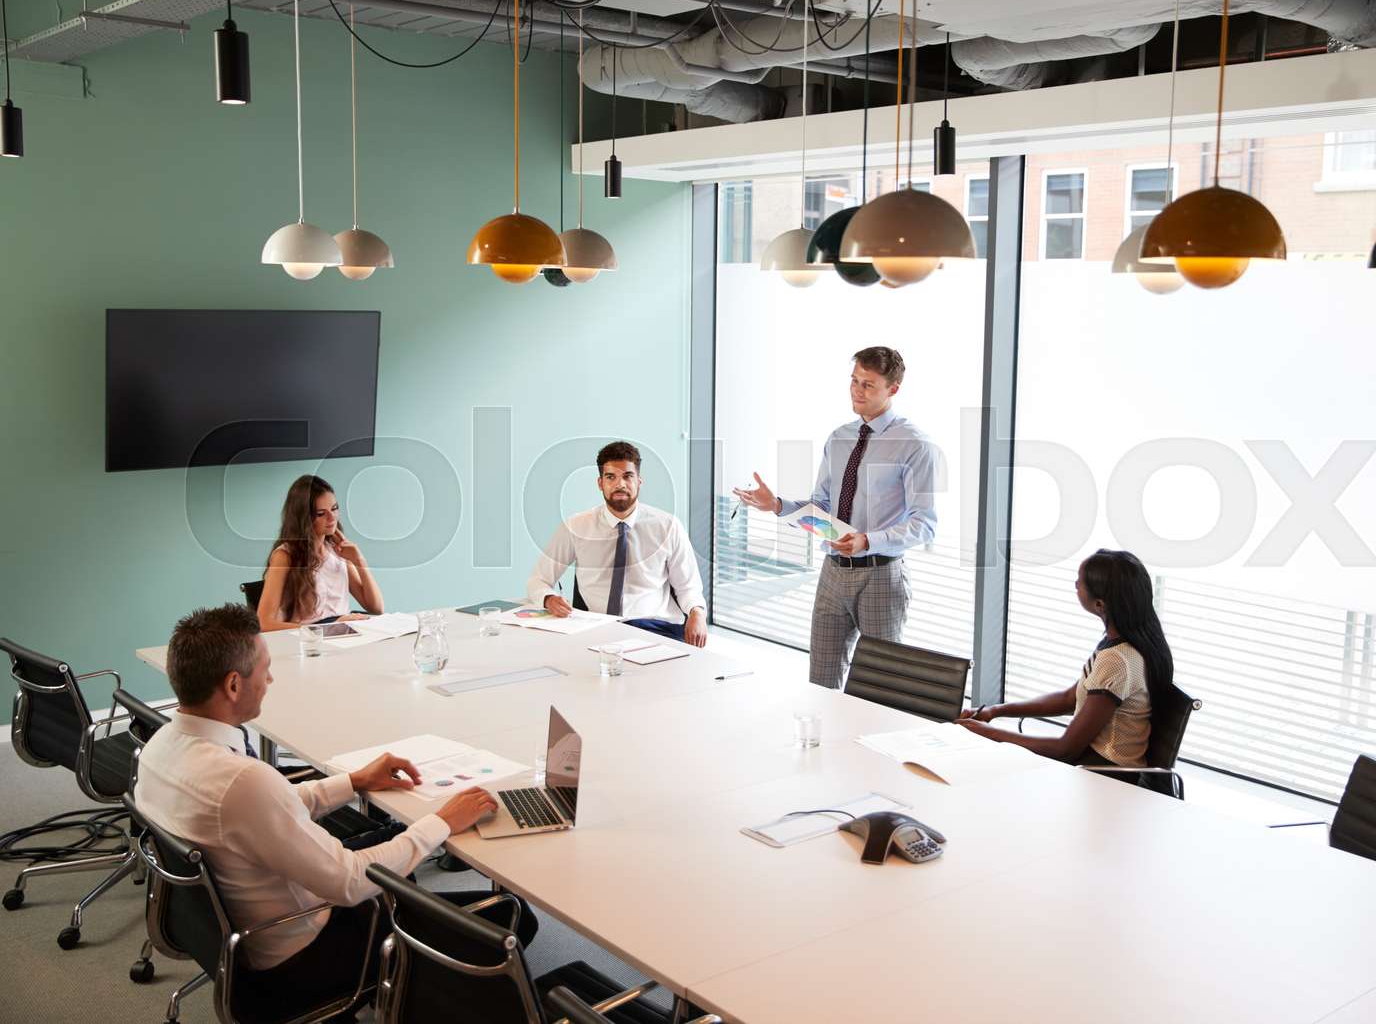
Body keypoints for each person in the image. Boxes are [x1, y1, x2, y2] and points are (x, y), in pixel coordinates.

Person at [133, 604, 535, 1008]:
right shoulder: (242, 782)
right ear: (234, 685)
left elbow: (269, 806)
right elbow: (350, 883)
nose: (270, 679)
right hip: (301, 958)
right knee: (513, 916)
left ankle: (403, 990)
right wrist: (442, 821)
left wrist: (354, 781)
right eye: (265, 669)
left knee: (396, 841)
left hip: (242, 933)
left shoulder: (160, 748)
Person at [733, 346, 940, 688]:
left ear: (893, 389)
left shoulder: (914, 444)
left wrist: (867, 540)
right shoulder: (840, 438)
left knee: (879, 686)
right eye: (854, 381)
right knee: (820, 682)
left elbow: (925, 523)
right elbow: (822, 506)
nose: (857, 390)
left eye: (868, 384)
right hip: (832, 573)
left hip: (880, 576)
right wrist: (777, 505)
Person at [956, 549, 1173, 767]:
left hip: (1102, 775)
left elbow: (1065, 749)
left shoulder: (1118, 660)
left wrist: (989, 734)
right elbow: (1070, 698)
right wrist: (996, 711)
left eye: (1080, 581)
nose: (1076, 584)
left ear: (1100, 604)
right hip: (1092, 765)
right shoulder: (1130, 643)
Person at [528, 441, 708, 646]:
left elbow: (688, 587)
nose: (620, 484)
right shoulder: (576, 527)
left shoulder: (668, 527)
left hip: (656, 629)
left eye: (628, 476)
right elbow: (538, 581)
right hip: (597, 629)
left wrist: (697, 613)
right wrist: (548, 599)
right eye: (610, 477)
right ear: (600, 483)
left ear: (639, 481)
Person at [257, 474, 384, 633]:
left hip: (342, 636)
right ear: (304, 518)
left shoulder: (338, 551)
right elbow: (264, 623)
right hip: (308, 640)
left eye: (334, 508)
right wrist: (329, 627)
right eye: (321, 513)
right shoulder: (285, 556)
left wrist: (359, 560)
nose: (332, 518)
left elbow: (376, 608)